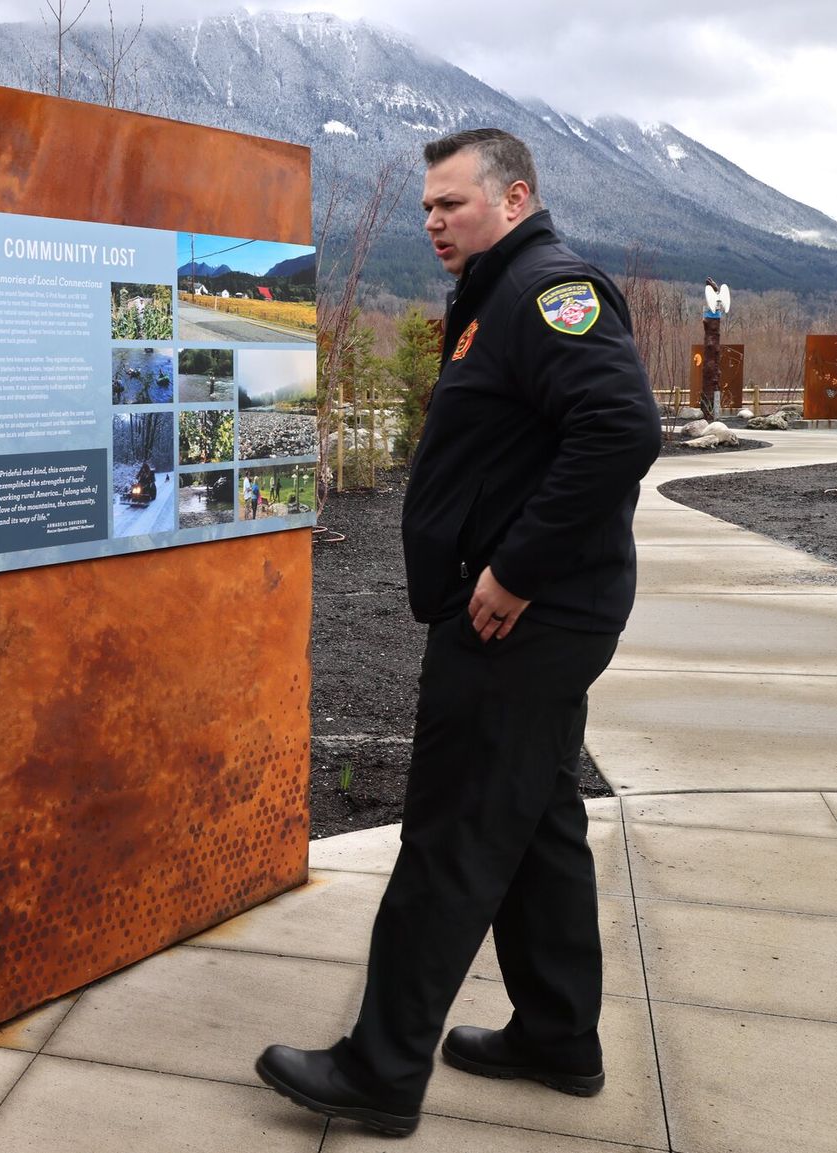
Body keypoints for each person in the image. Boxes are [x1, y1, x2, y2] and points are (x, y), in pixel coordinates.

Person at [256, 128, 660, 1137]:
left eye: (452, 204)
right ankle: (557, 1031)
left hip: (523, 621)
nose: (433, 222)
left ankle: (380, 1066)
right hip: (531, 617)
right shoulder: (499, 295)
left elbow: (621, 429)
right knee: (535, 817)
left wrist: (516, 569)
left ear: (514, 197)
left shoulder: (546, 292)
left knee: (450, 832)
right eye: (427, 208)